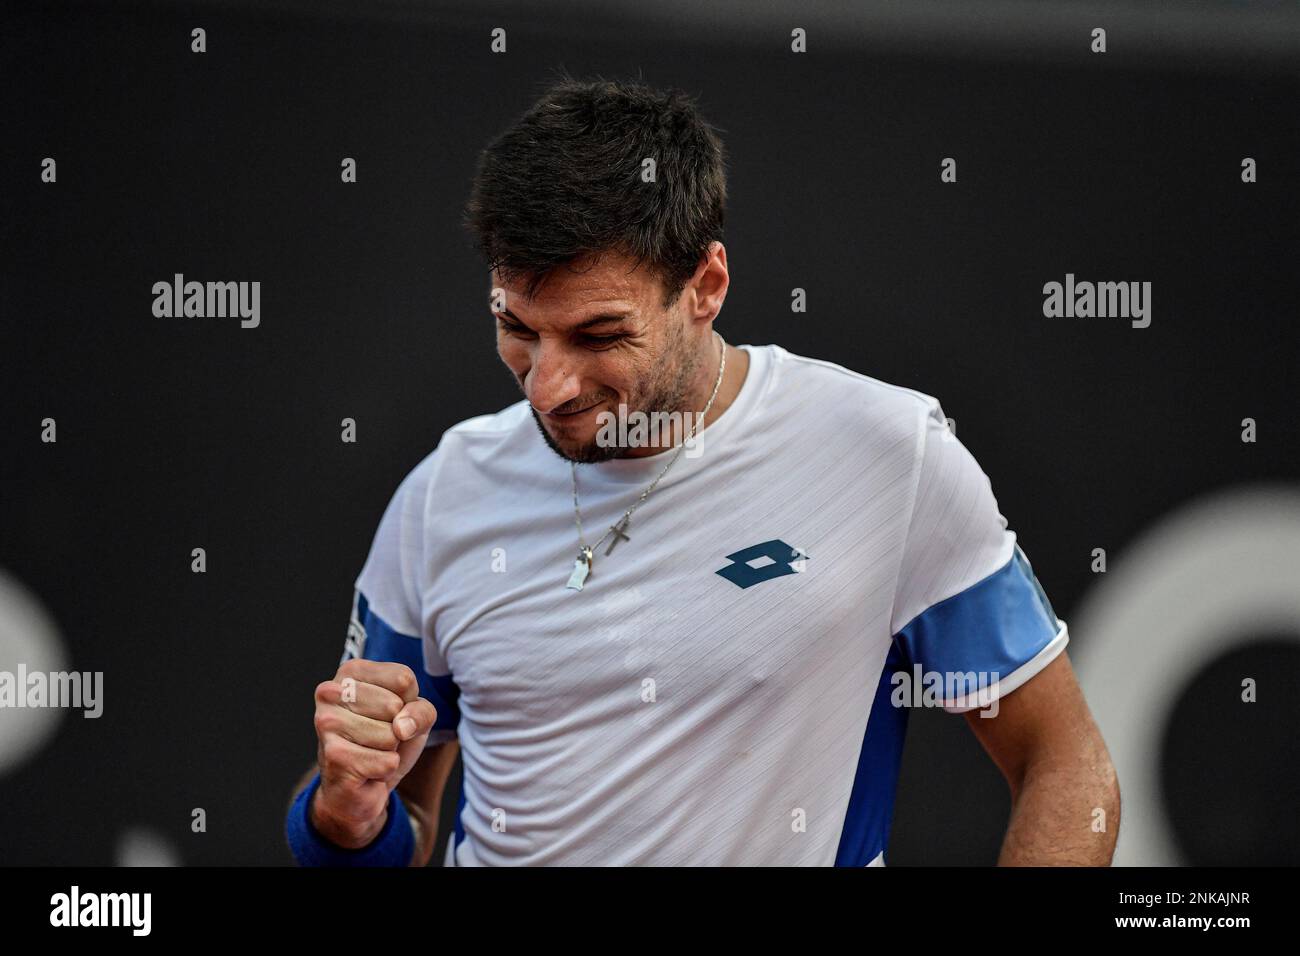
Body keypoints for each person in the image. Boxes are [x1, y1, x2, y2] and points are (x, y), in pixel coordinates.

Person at [285, 74, 1119, 866]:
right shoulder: (444, 492)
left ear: (705, 286)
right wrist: (345, 813)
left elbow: (1065, 763)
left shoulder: (887, 453)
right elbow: (403, 826)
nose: (547, 386)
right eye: (519, 328)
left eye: (598, 335)